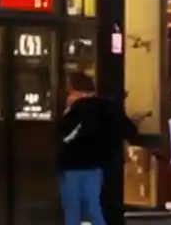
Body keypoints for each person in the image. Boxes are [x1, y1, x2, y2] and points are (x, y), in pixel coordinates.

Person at [57, 72, 139, 225]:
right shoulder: (109, 107)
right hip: (96, 166)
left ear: (70, 88)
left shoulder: (75, 109)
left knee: (72, 208)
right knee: (94, 207)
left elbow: (65, 136)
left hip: (72, 164)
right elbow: (130, 131)